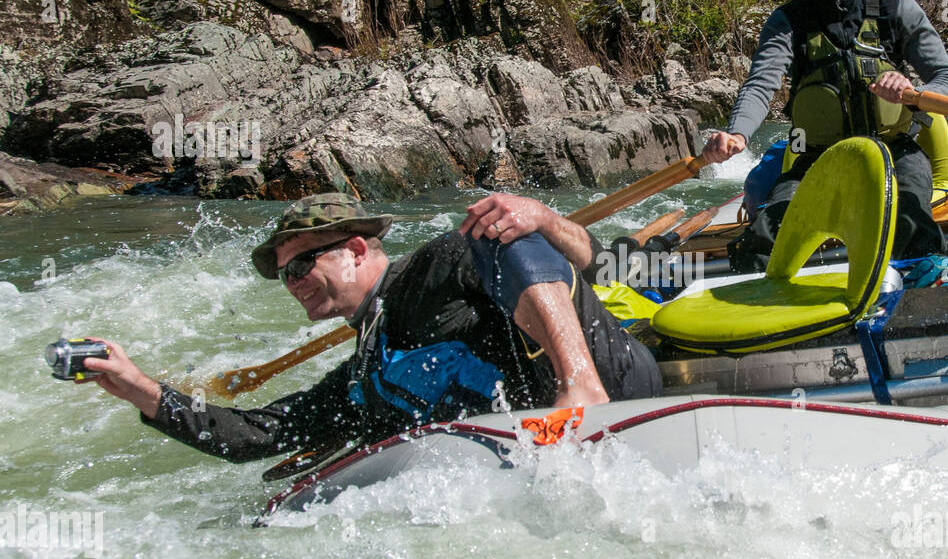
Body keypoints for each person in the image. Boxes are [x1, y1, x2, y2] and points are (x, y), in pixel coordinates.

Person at [82, 193, 662, 462]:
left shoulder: (440, 262)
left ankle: (576, 383)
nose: (293, 282)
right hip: (537, 442)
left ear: (356, 249)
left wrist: (544, 215)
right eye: (284, 275)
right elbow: (259, 434)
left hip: (617, 385)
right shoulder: (368, 365)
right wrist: (141, 390)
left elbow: (539, 247)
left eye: (302, 264)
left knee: (496, 227)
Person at [702, 0, 948, 267]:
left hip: (894, 155)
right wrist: (738, 134)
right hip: (817, 160)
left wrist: (916, 94)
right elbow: (761, 85)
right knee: (766, 237)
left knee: (909, 224)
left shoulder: (894, 6)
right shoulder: (787, 21)